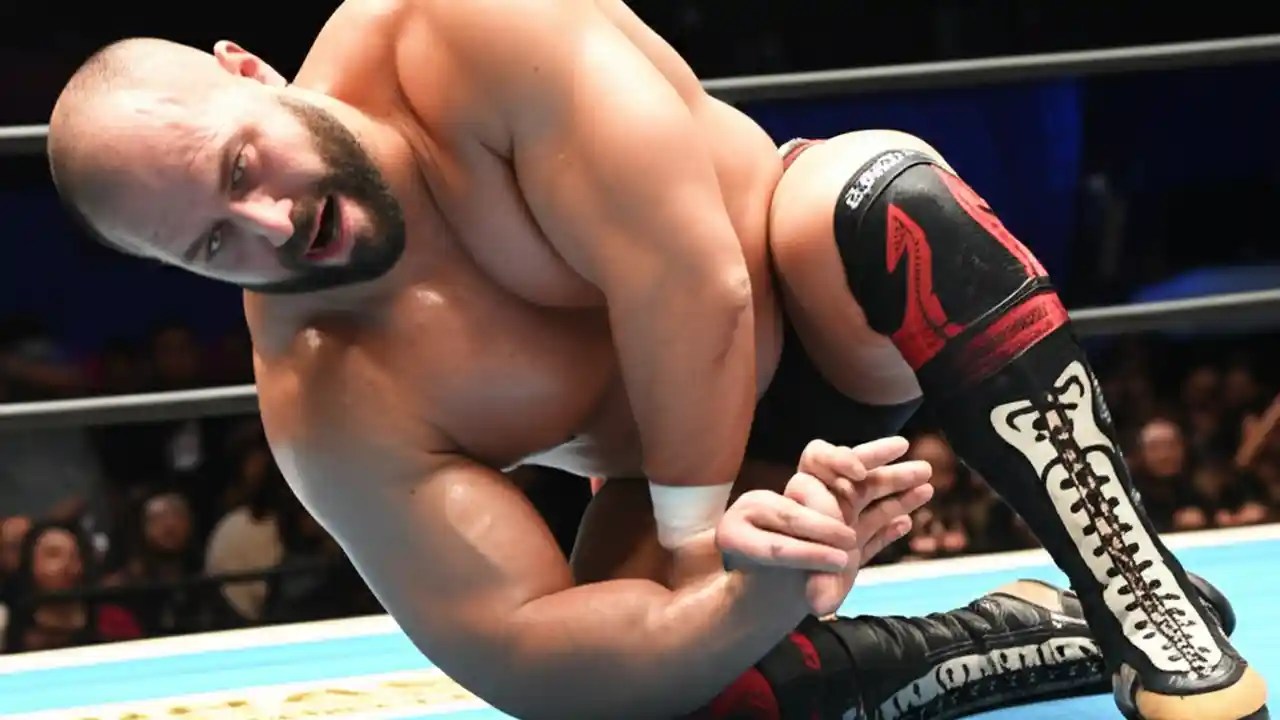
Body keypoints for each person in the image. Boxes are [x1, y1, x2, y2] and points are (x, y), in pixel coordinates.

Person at [43, 1, 1265, 718]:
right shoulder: (327, 393)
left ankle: (1133, 587)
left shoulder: (457, 33)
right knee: (657, 697)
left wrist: (691, 545)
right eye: (212, 243)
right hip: (705, 481)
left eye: (241, 166)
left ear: (249, 72)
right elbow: (520, 646)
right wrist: (739, 595)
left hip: (810, 302)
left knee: (885, 198)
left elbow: (694, 281)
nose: (267, 226)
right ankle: (1011, 639)